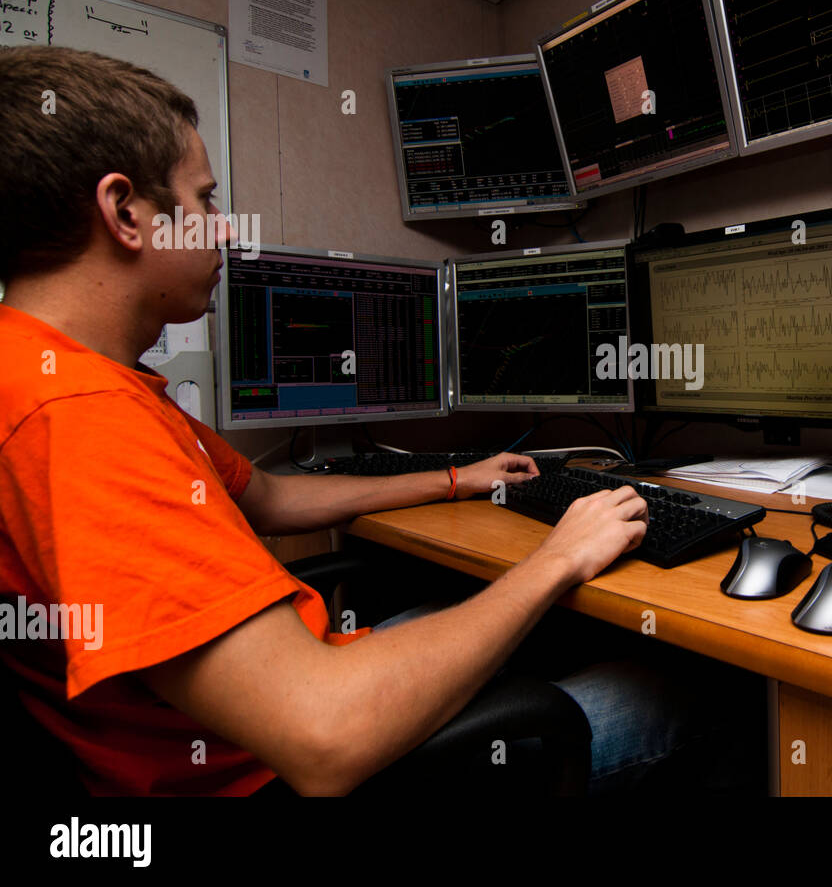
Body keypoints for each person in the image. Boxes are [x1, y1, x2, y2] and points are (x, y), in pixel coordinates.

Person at [0, 46, 762, 796]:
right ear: (126, 212)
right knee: (706, 687)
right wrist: (556, 558)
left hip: (256, 711)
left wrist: (459, 477)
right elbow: (326, 737)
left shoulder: (57, 374)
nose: (226, 230)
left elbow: (267, 497)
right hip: (280, 766)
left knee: (514, 623)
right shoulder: (80, 420)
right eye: (205, 200)